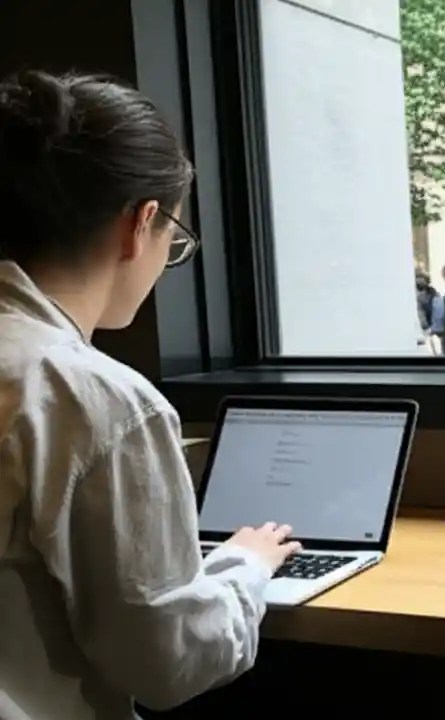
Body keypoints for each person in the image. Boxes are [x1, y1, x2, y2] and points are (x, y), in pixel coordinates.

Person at [0, 71, 302, 717]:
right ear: (141, 225)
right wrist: (245, 566)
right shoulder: (88, 396)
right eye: (176, 238)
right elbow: (166, 662)